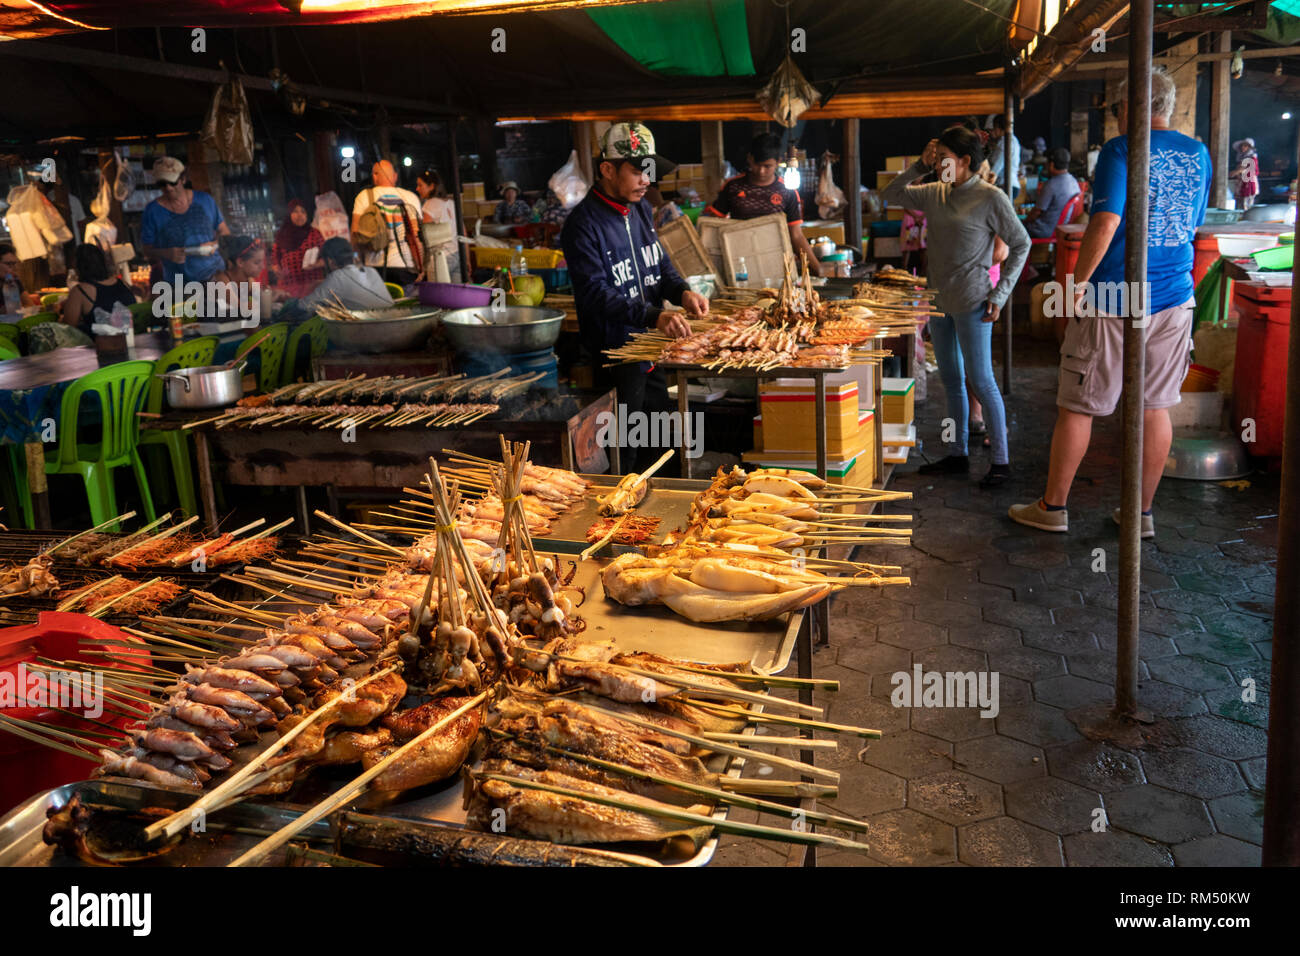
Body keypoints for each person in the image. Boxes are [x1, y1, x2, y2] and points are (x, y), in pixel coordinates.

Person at [1009, 69, 1211, 538]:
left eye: (1118, 109)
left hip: (1114, 296)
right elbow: (1191, 223)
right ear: (1169, 105)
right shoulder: (1198, 153)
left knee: (1078, 405)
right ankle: (1139, 516)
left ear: (1131, 107)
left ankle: (1053, 508)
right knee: (1154, 406)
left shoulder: (1121, 150)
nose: (1117, 117)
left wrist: (1077, 287)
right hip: (1175, 297)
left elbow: (1104, 222)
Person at [882, 126, 1030, 488]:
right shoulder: (935, 192)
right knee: (950, 380)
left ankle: (1001, 463)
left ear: (965, 161)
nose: (939, 164)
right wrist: (921, 163)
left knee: (980, 380)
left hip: (974, 301)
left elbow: (1021, 244)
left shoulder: (990, 197)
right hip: (939, 302)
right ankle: (957, 453)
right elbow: (890, 194)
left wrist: (1000, 294)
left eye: (944, 158)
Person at [560, 122, 710, 470]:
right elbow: (595, 293)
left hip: (652, 348)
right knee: (623, 457)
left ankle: (659, 520)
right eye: (638, 171)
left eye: (650, 172)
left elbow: (659, 265)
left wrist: (682, 291)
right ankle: (622, 522)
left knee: (660, 449)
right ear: (607, 170)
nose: (646, 180)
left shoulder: (641, 209)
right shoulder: (583, 225)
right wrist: (653, 315)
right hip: (616, 357)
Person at [705, 133, 822, 276]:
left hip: (776, 262)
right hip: (739, 261)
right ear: (749, 158)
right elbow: (712, 225)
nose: (761, 171)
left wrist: (818, 269)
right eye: (757, 164)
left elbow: (796, 235)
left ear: (778, 161)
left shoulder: (787, 191)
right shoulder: (732, 187)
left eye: (767, 166)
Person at [140, 156, 230, 284]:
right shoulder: (152, 211)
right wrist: (167, 253)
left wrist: (214, 244)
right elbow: (146, 250)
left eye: (172, 182)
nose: (168, 188)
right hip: (179, 283)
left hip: (215, 277)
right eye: (162, 184)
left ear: (183, 179)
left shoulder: (205, 200)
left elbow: (225, 233)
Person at [351, 159, 423, 287]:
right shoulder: (411, 197)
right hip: (406, 266)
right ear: (395, 176)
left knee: (379, 305)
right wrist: (421, 267)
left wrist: (357, 264)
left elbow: (355, 234)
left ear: (374, 175)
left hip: (375, 267)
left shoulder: (364, 197)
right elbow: (416, 236)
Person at [292, 237, 394, 317]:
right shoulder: (371, 271)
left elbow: (305, 306)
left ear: (330, 261)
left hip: (371, 329)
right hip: (392, 320)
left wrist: (286, 304)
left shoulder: (337, 277)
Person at [60, 243, 138, 335]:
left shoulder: (79, 291)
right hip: (132, 338)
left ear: (78, 266)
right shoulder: (122, 282)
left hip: (101, 345)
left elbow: (68, 328)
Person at [213, 235, 281, 321]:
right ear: (240, 262)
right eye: (257, 263)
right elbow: (240, 307)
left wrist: (276, 295)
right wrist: (268, 299)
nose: (262, 267)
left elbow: (260, 298)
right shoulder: (222, 281)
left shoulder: (249, 280)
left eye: (262, 262)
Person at [271, 199, 325, 299]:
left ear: (307, 215)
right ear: (289, 214)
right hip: (289, 287)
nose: (299, 215)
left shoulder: (315, 234)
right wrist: (276, 269)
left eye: (303, 212)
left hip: (312, 286)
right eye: (295, 211)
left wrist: (316, 264)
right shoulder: (281, 236)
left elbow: (327, 257)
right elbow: (275, 258)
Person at [1025, 148, 1081, 239]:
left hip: (1044, 231)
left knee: (1013, 229)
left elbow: (1037, 212)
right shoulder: (1074, 182)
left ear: (1051, 165)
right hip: (1061, 227)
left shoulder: (1050, 185)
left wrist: (1024, 221)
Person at [987, 114, 1022, 199]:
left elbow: (996, 167)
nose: (992, 132)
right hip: (1011, 185)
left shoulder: (1006, 142)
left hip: (1006, 185)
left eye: (994, 128)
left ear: (998, 127)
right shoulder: (1013, 140)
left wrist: (986, 181)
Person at [1, 244, 38, 312]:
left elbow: (30, 305)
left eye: (14, 263)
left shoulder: (13, 280)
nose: (14, 268)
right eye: (9, 264)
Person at [1231, 138, 1260, 212]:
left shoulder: (1252, 158)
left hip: (1249, 182)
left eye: (1245, 146)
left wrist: (1235, 172)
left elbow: (1245, 169)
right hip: (1242, 182)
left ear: (1249, 147)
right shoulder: (1242, 158)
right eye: (1242, 146)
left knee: (1246, 204)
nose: (1243, 148)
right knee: (1239, 203)